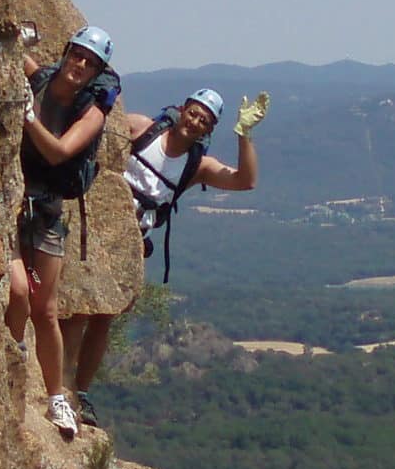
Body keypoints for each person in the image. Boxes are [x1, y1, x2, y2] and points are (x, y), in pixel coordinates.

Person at [59, 86, 267, 425]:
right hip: (96, 225)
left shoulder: (196, 166)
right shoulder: (143, 129)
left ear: (209, 130)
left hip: (130, 244)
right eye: (194, 112)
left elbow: (245, 181)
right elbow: (99, 130)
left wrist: (244, 135)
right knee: (80, 311)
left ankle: (79, 392)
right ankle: (62, 385)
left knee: (103, 318)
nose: (196, 120)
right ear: (182, 109)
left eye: (205, 120)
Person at [8, 26, 120, 439]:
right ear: (67, 53)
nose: (80, 66)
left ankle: (57, 397)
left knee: (45, 308)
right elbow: (16, 52)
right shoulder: (40, 80)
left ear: (96, 74)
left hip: (46, 214)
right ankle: (14, 357)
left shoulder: (91, 112)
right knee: (19, 290)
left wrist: (28, 117)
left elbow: (58, 152)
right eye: (77, 56)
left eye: (90, 64)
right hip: (12, 204)